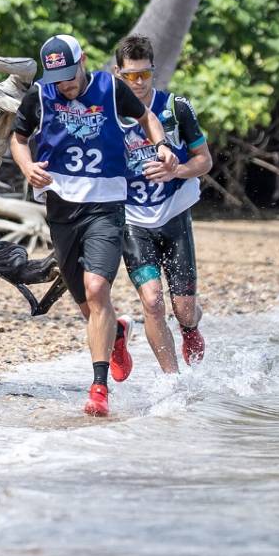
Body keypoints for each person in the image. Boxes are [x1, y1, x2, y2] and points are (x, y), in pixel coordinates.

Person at [11, 33, 169, 417]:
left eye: (69, 74)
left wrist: (162, 146)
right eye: (58, 79)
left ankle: (98, 389)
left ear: (81, 62)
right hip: (61, 206)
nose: (65, 84)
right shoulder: (40, 96)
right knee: (86, 304)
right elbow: (17, 137)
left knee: (97, 289)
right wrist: (26, 165)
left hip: (106, 203)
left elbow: (145, 116)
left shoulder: (110, 88)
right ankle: (116, 334)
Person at [113, 34, 214, 372]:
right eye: (131, 76)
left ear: (153, 71)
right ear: (118, 73)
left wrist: (176, 172)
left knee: (184, 308)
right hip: (133, 219)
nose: (138, 82)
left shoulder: (175, 108)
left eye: (145, 74)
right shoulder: (107, 114)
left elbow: (205, 160)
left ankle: (190, 328)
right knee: (153, 301)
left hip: (173, 214)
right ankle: (173, 381)